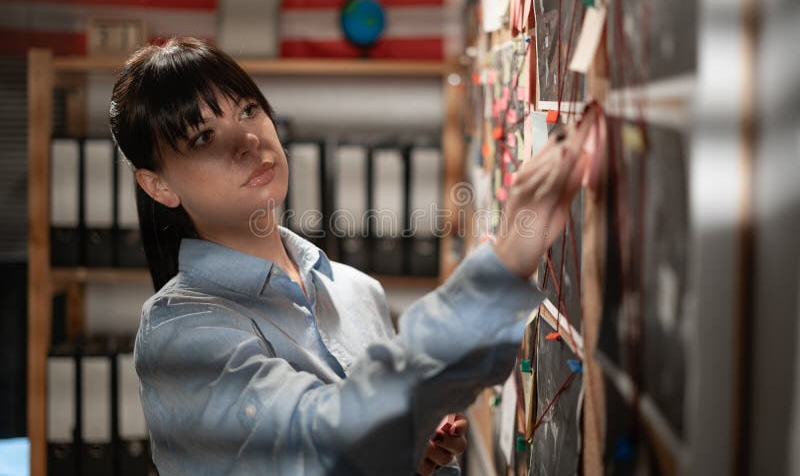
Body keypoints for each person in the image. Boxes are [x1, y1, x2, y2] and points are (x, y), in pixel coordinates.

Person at [109, 37, 589, 476]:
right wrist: (505, 263)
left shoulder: (356, 289)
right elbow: (324, 445)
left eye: (249, 110)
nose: (249, 141)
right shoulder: (179, 332)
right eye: (203, 138)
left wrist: (412, 447)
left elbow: (361, 442)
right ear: (159, 185)